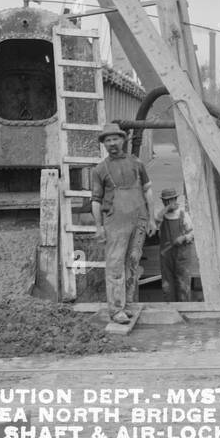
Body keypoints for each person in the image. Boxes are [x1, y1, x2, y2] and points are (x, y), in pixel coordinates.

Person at [90, 125, 155, 324]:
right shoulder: (100, 169)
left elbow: (148, 191)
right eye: (107, 141)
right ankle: (116, 309)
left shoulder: (136, 163)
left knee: (133, 263)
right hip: (115, 223)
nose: (112, 144)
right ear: (104, 144)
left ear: (123, 140)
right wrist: (99, 227)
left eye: (115, 139)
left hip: (139, 220)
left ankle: (126, 305)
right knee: (115, 265)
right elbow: (96, 200)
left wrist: (151, 218)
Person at [157, 187, 199, 302]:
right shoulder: (161, 216)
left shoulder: (183, 214)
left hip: (182, 256)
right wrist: (165, 210)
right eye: (165, 201)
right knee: (167, 286)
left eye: (170, 200)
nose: (168, 203)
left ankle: (185, 310)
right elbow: (154, 222)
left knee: (183, 285)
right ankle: (170, 310)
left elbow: (194, 232)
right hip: (166, 257)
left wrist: (184, 237)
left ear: (175, 199)